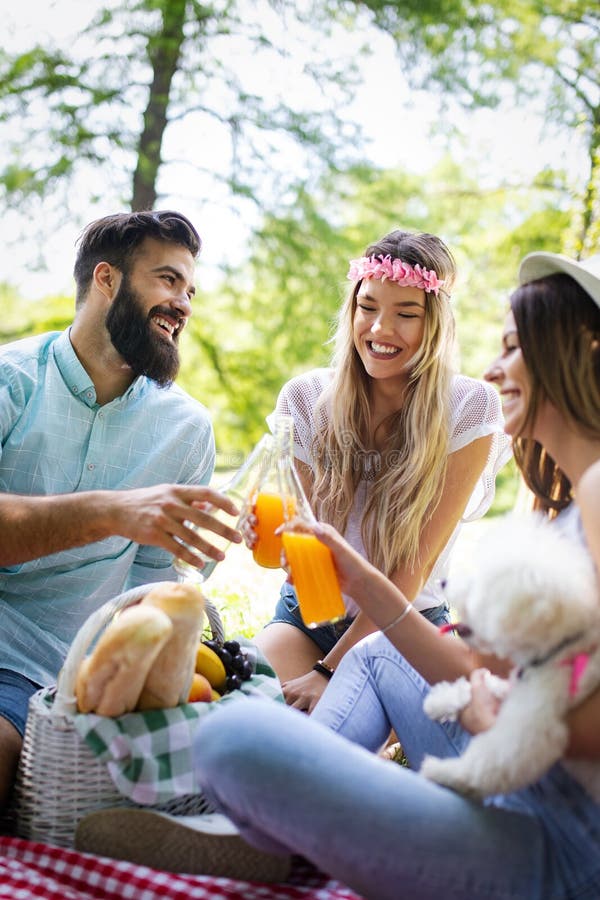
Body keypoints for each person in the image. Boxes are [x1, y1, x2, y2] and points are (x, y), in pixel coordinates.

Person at [190, 250, 600, 899]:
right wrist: (358, 579)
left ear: (578, 350)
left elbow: (566, 713)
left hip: (560, 845)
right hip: (514, 788)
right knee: (369, 660)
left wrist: (504, 702)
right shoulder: (577, 502)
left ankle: (269, 823)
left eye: (515, 347)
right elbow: (526, 675)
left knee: (230, 737)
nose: (494, 370)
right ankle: (282, 820)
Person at [0, 210, 242, 811]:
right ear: (105, 279)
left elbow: (155, 586)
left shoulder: (186, 429)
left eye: (190, 290)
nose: (182, 303)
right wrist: (112, 511)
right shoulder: (11, 381)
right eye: (167, 279)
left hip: (69, 679)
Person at [255, 229, 511, 711]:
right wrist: (273, 544)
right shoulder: (306, 399)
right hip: (310, 613)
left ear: (435, 324)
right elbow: (307, 546)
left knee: (335, 742)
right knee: (256, 715)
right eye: (367, 307)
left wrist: (329, 671)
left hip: (404, 626)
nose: (379, 329)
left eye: (406, 314)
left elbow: (411, 568)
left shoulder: (469, 408)